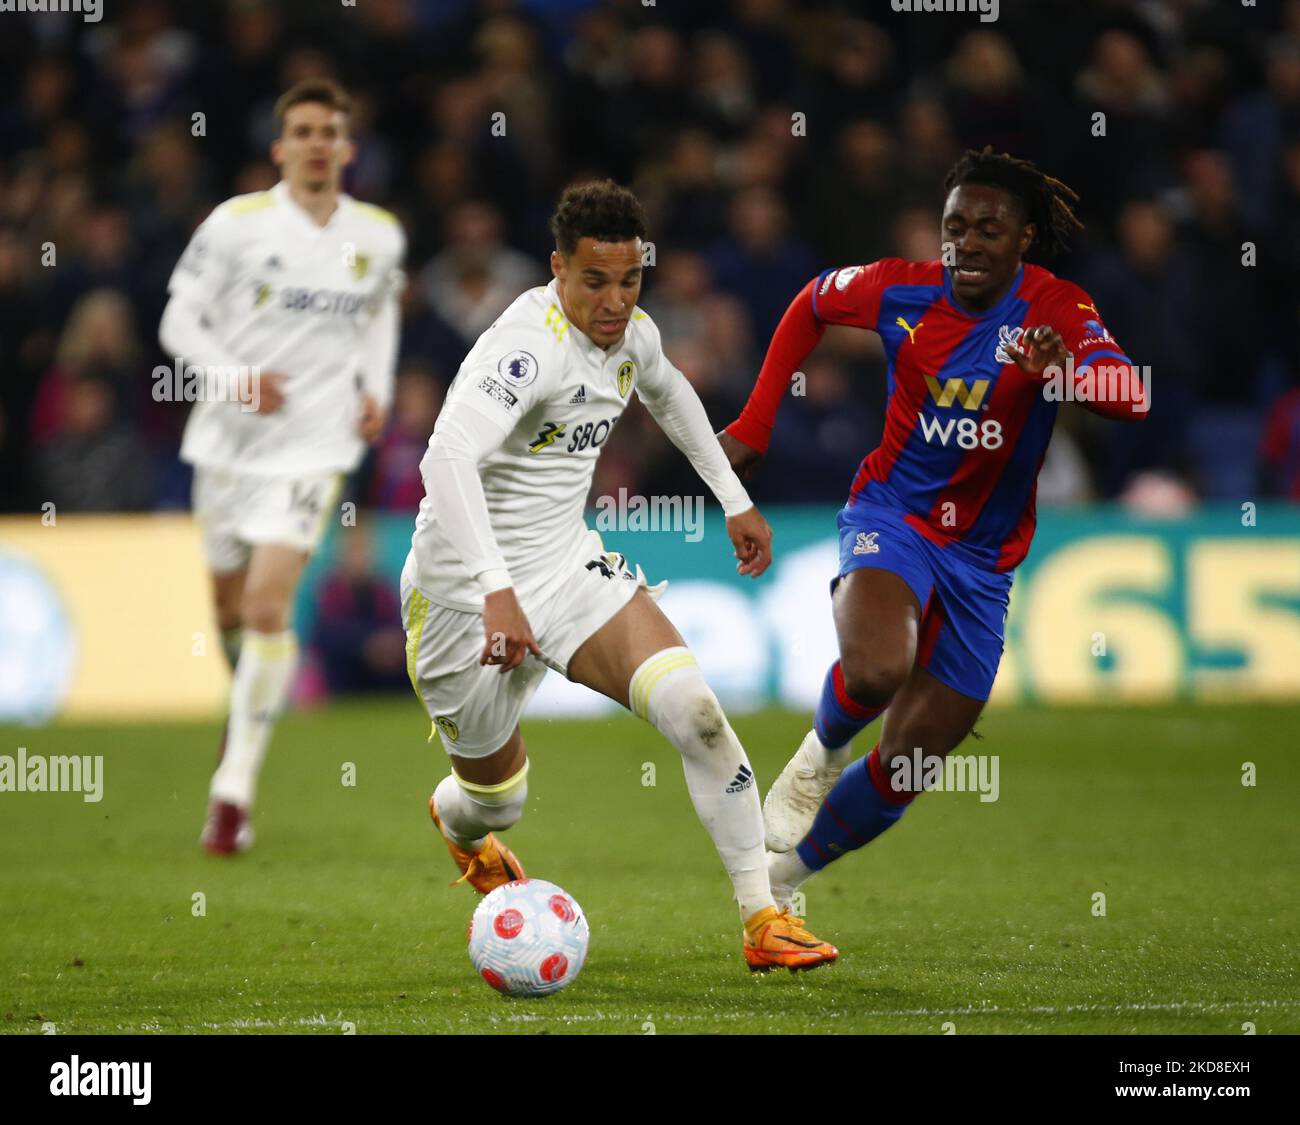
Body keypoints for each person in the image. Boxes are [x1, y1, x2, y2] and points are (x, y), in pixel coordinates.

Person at [403, 179, 836, 972]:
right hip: (466, 595)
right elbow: (445, 458)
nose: (614, 301)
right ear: (556, 268)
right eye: (595, 281)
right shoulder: (524, 350)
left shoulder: (632, 334)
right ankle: (456, 819)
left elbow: (670, 396)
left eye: (630, 280)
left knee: (696, 713)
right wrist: (496, 590)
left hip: (568, 571)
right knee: (501, 800)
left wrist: (734, 501)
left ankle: (762, 918)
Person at [718, 149, 1146, 909]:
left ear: (1024, 240)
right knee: (878, 668)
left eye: (990, 228)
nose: (969, 243)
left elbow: (1131, 396)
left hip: (984, 562)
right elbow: (812, 301)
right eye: (956, 227)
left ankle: (782, 883)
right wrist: (755, 420)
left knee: (909, 768)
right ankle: (820, 750)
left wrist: (1066, 374)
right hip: (895, 517)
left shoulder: (1057, 309)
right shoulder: (900, 290)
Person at [159, 79, 405, 854]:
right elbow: (176, 318)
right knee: (230, 613)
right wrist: (235, 380)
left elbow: (380, 312)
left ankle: (232, 793)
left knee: (269, 607)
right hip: (228, 448)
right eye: (302, 130)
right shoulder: (236, 226)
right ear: (280, 146)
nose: (316, 143)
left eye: (330, 131)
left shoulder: (379, 235)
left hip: (314, 449)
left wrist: (377, 388)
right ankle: (245, 715)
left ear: (347, 146)